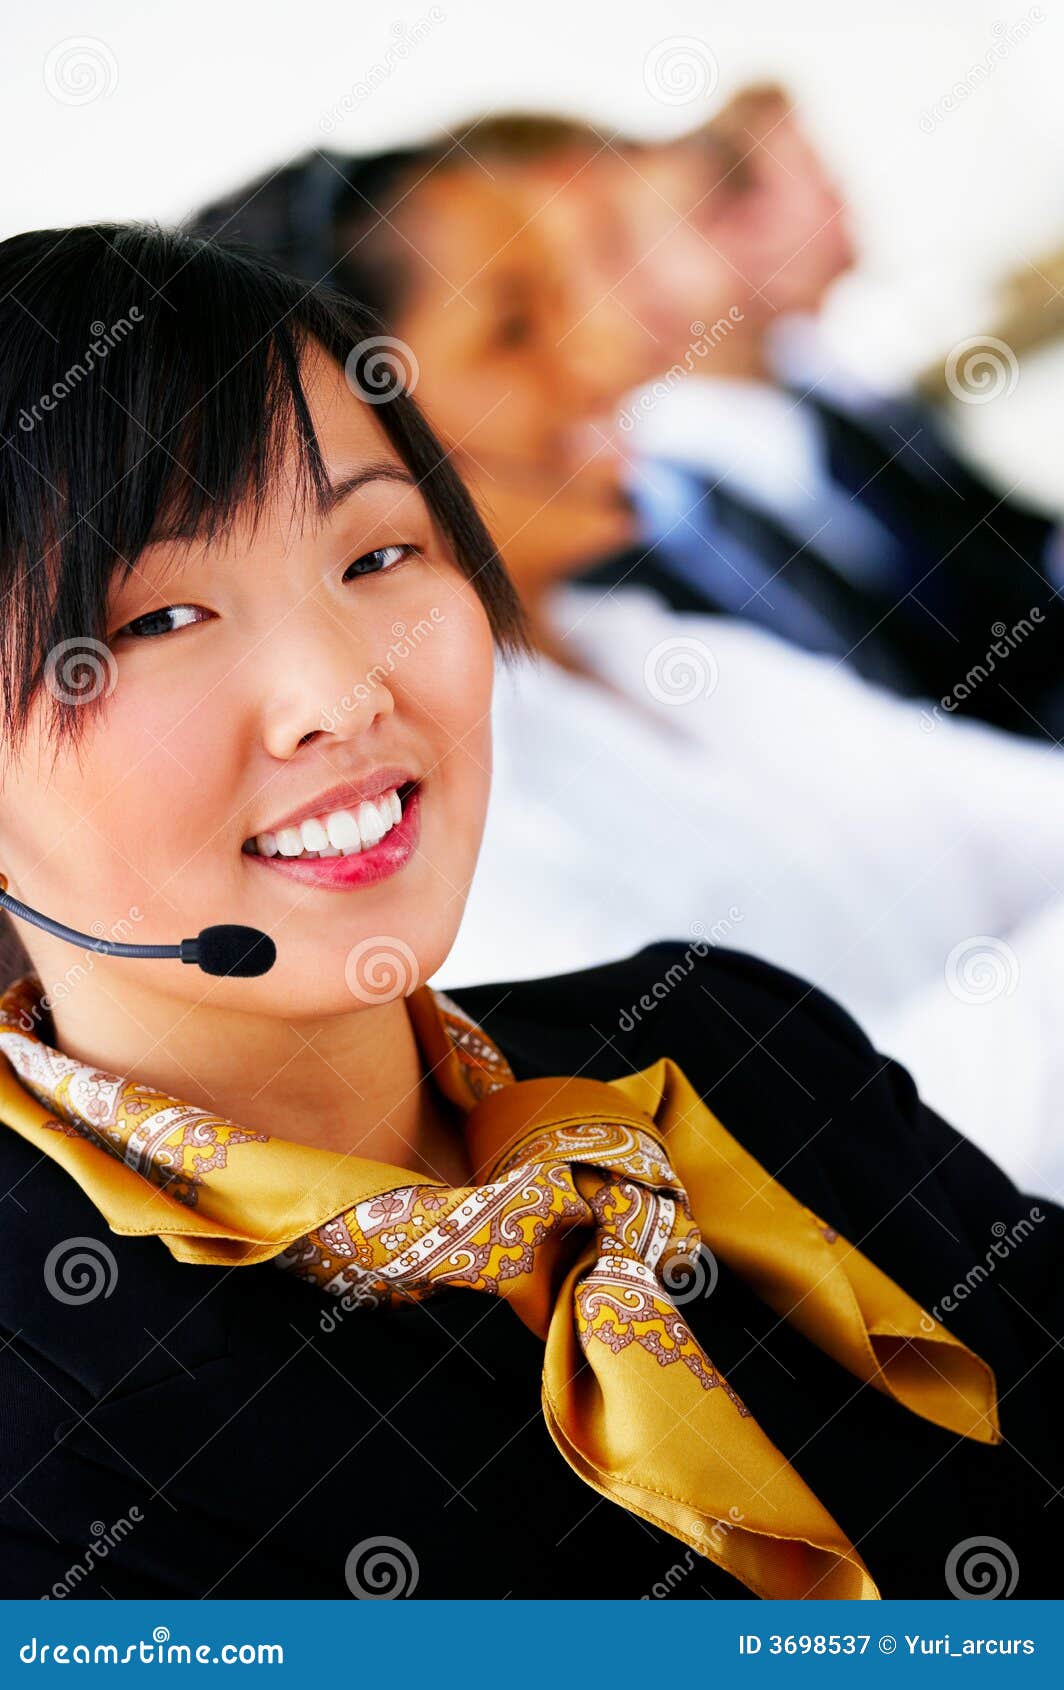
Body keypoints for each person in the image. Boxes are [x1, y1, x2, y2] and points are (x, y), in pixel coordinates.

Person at [0, 225, 1059, 1602]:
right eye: (152, 619)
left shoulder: (722, 1049)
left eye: (378, 557)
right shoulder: (47, 1441)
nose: (342, 692)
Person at [193, 139, 1064, 1191]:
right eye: (514, 329)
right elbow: (842, 1163)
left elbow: (1026, 822)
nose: (609, 350)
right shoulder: (422, 829)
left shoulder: (654, 650)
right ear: (339, 452)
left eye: (578, 292)